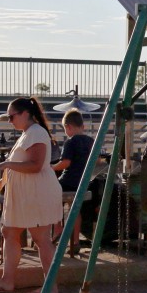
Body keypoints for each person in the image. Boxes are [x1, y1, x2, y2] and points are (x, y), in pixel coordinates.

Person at [0, 97, 64, 293]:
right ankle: (7, 280)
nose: (10, 121)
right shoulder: (28, 133)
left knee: (41, 238)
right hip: (26, 193)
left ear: (25, 113)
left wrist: (7, 166)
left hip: (36, 192)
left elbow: (35, 165)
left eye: (12, 116)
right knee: (9, 232)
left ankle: (50, 286)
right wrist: (0, 183)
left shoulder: (36, 132)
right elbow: (18, 164)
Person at [52, 109, 95, 256]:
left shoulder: (71, 142)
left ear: (68, 126)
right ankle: (76, 241)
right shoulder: (90, 141)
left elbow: (65, 163)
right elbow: (98, 161)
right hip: (81, 182)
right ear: (82, 125)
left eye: (65, 129)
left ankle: (58, 229)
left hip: (67, 180)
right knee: (75, 210)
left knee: (50, 197)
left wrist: (51, 167)